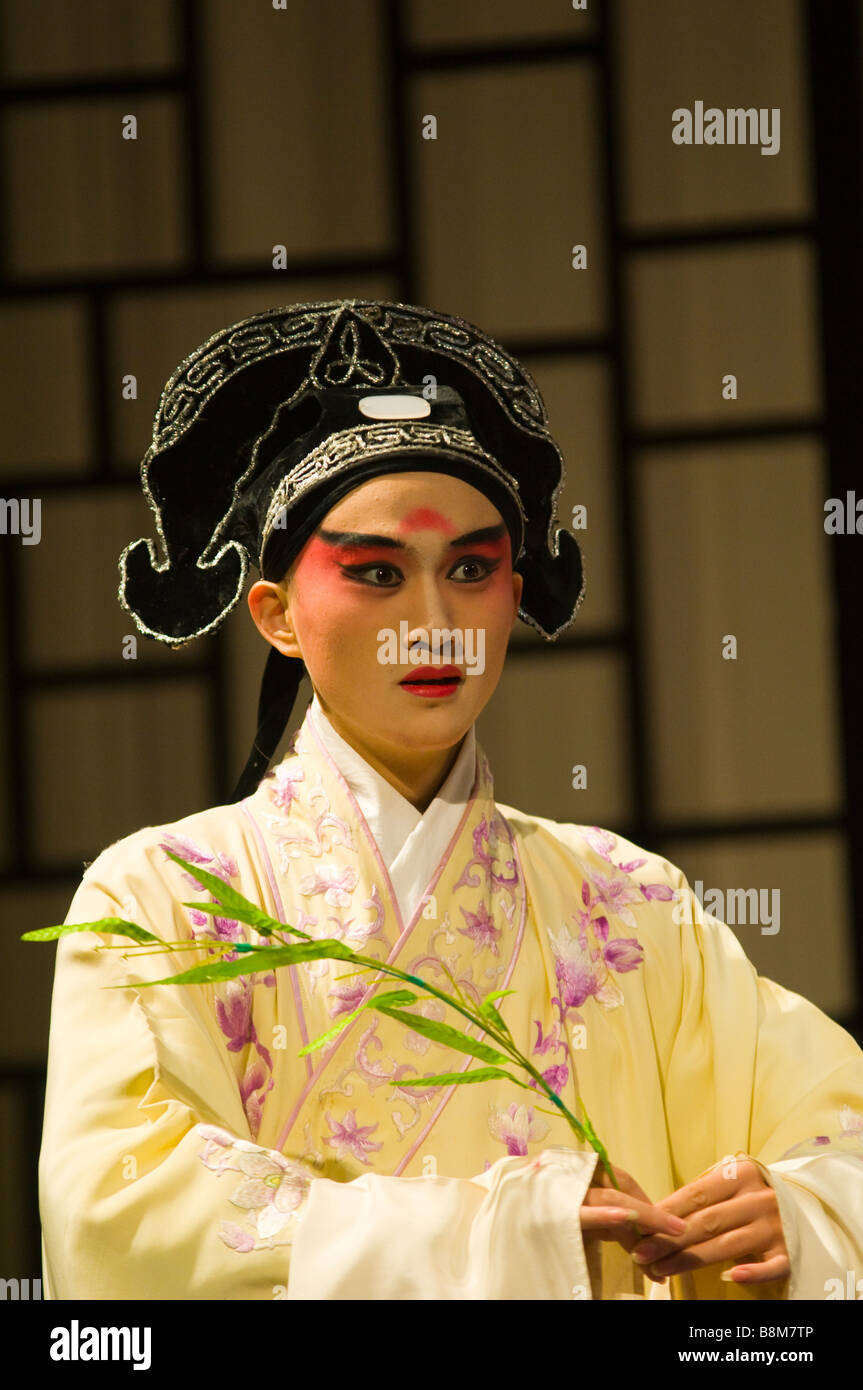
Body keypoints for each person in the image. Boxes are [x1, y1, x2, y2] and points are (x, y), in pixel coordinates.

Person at [38, 299, 863, 1300]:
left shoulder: (627, 902)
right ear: (277, 613)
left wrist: (795, 1209)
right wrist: (509, 1236)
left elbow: (834, 1126)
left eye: (471, 569)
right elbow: (119, 1217)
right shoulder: (161, 898)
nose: (432, 622)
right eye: (375, 573)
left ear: (514, 592)